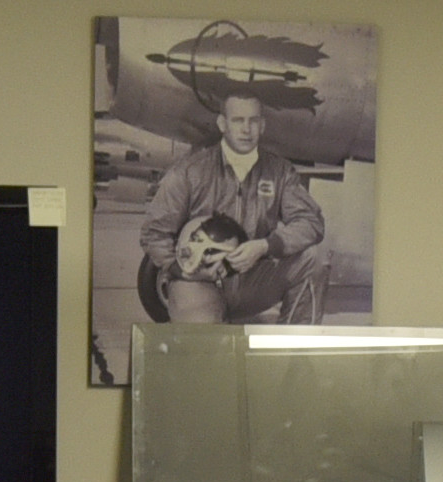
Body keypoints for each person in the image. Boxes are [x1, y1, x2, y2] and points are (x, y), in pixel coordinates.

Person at [133, 85, 327, 326]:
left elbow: (312, 223)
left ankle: (292, 354)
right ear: (222, 124)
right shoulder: (190, 172)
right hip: (198, 282)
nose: (246, 129)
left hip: (252, 279)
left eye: (253, 121)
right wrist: (181, 270)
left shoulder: (279, 171)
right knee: (210, 355)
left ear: (263, 126)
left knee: (313, 260)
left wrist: (264, 246)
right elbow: (154, 233)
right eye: (238, 121)